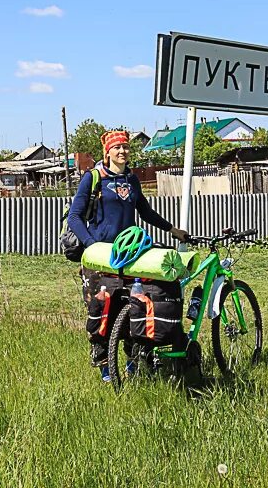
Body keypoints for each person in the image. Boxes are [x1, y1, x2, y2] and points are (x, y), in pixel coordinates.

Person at [67, 129, 187, 382]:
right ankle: (106, 371)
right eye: (117, 147)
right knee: (101, 314)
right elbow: (74, 217)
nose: (122, 151)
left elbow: (146, 212)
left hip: (130, 258)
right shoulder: (94, 178)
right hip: (100, 258)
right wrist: (91, 246)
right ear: (107, 152)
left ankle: (133, 366)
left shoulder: (132, 180)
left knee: (135, 310)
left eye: (126, 147)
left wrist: (173, 230)